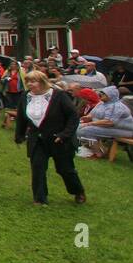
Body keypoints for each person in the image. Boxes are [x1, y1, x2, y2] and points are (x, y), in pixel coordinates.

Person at [15, 70, 86, 206]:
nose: (30, 84)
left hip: (58, 139)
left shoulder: (59, 96)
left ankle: (78, 191)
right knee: (38, 167)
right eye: (28, 81)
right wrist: (19, 135)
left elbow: (73, 116)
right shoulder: (25, 96)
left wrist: (64, 134)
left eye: (33, 81)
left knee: (65, 169)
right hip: (37, 139)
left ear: (43, 82)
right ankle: (40, 199)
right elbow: (21, 118)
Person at [77, 85, 133, 157]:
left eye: (103, 93)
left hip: (122, 130)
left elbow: (110, 122)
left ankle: (98, 153)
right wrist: (87, 117)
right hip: (108, 127)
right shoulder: (102, 103)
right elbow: (92, 114)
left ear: (110, 95)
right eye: (101, 93)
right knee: (78, 127)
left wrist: (90, 123)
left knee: (86, 130)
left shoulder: (117, 106)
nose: (100, 95)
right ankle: (99, 150)